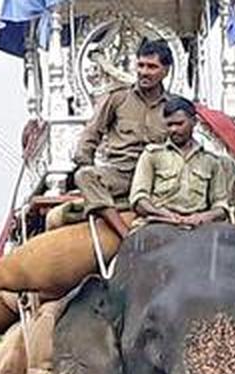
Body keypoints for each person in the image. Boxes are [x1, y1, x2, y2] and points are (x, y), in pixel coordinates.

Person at [73, 38, 173, 238]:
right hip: (121, 175)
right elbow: (91, 133)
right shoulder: (118, 98)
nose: (144, 72)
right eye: (141, 65)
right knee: (84, 176)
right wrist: (84, 161)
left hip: (159, 178)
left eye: (152, 67)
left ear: (165, 70)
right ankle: (124, 233)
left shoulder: (173, 106)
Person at [129, 96, 235, 229]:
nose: (173, 129)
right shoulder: (152, 155)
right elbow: (139, 199)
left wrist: (200, 218)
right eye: (169, 125)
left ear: (194, 121)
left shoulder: (211, 161)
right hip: (159, 222)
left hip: (198, 225)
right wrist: (164, 214)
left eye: (179, 124)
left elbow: (220, 205)